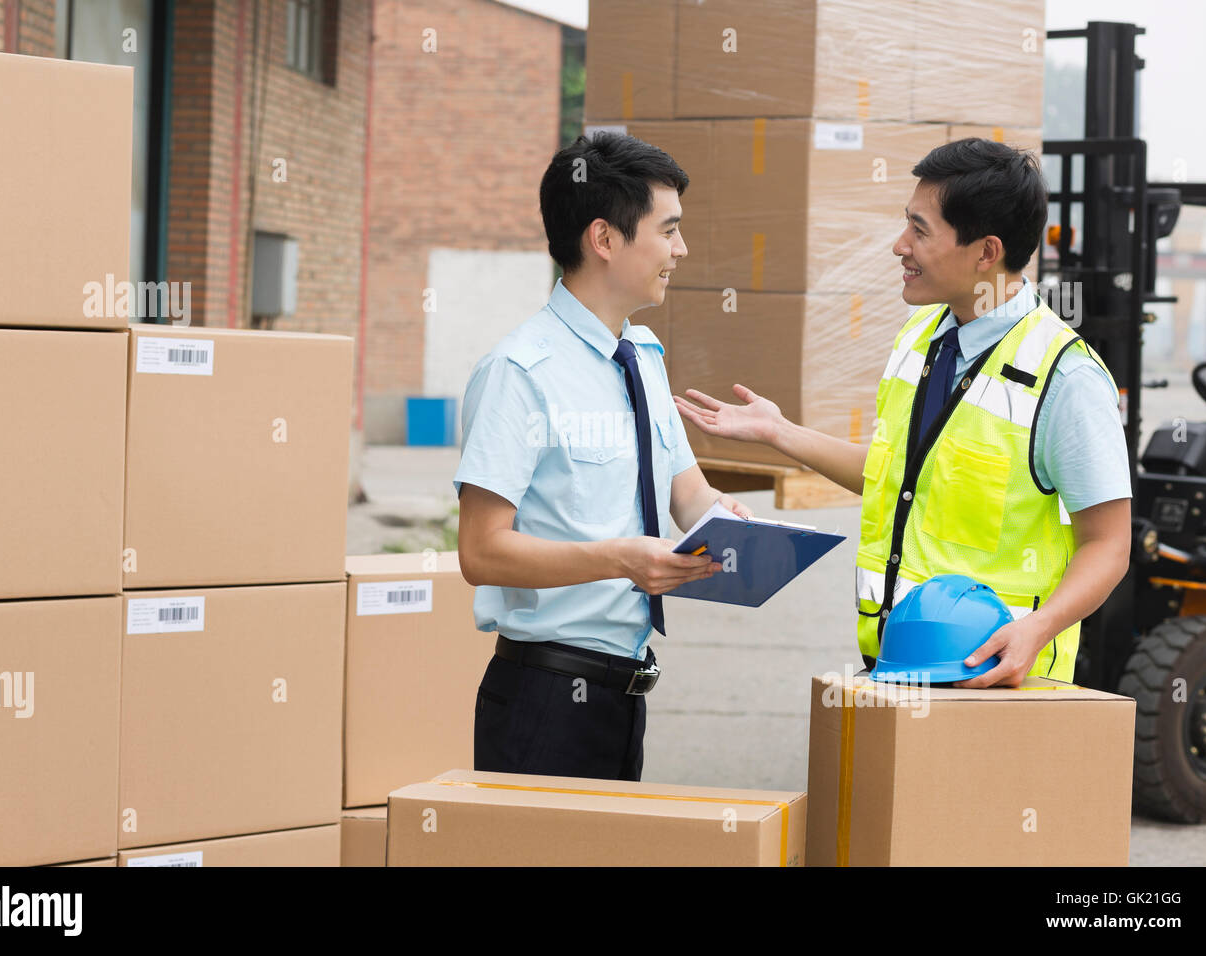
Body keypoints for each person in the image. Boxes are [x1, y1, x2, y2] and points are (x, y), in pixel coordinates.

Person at [675, 138, 1132, 688]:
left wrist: (1039, 629)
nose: (900, 246)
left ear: (986, 252)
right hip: (896, 664)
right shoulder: (921, 339)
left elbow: (1108, 543)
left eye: (920, 230)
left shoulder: (1065, 378)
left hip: (1000, 681)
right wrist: (780, 432)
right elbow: (897, 476)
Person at [454, 132, 753, 780]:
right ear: (605, 239)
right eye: (668, 230)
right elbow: (480, 552)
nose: (682, 249)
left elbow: (687, 492)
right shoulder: (519, 373)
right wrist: (620, 558)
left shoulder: (640, 358)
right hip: (544, 699)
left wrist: (729, 523)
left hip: (623, 696)